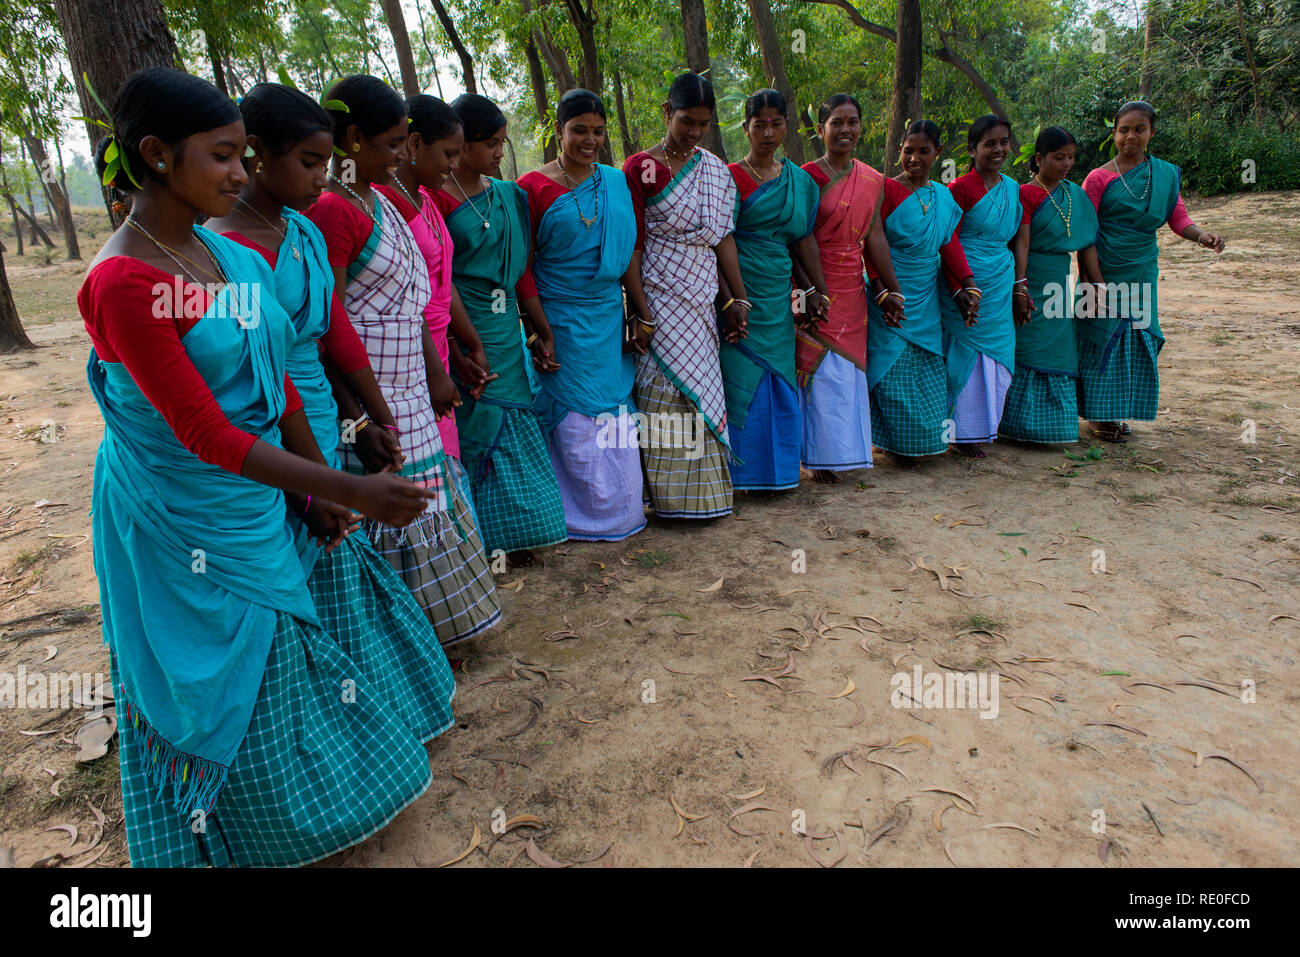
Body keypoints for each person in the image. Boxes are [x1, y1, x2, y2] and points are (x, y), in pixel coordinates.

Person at [80, 67, 438, 866]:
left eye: (244, 155)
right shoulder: (125, 282)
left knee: (272, 654)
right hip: (181, 515)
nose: (240, 174)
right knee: (209, 673)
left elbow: (273, 380)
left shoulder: (220, 257)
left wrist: (318, 488)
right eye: (222, 156)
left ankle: (289, 820)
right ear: (157, 155)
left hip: (253, 498)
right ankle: (222, 832)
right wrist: (349, 487)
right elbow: (205, 434)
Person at [206, 80, 459, 741]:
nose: (323, 177)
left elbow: (333, 333)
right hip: (270, 428)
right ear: (259, 155)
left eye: (325, 163)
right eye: (310, 163)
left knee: (339, 574)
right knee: (294, 571)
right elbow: (267, 366)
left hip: (318, 416)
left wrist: (374, 417)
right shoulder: (228, 250)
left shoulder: (298, 232)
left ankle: (363, 718)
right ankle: (300, 729)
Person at [307, 74, 500, 647]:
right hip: (371, 391)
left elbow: (409, 300)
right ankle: (406, 645)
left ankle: (433, 640)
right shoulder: (334, 210)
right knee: (394, 511)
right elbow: (329, 327)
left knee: (425, 502)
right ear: (354, 140)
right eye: (392, 144)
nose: (399, 156)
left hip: (409, 384)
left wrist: (438, 369)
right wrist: (360, 417)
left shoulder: (378, 201)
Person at [429, 94, 567, 563]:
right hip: (465, 326)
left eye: (502, 144)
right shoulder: (436, 198)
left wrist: (540, 327)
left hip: (507, 325)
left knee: (517, 417)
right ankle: (484, 537)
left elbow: (521, 271)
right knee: (477, 422)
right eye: (488, 144)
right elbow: (442, 278)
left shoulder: (508, 196)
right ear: (460, 142)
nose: (497, 154)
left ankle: (527, 532)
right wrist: (459, 340)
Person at [517, 89, 649, 541]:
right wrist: (537, 332)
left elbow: (628, 253)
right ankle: (569, 517)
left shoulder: (615, 182)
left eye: (597, 131)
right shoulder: (532, 188)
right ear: (558, 132)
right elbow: (523, 268)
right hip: (558, 321)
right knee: (570, 418)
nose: (589, 140)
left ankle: (622, 512)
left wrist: (640, 313)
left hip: (608, 318)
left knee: (613, 411)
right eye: (579, 131)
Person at [623, 72, 744, 519]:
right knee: (661, 390)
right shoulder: (640, 168)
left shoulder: (713, 169)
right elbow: (632, 246)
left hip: (700, 297)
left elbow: (723, 238)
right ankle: (671, 500)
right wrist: (641, 311)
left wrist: (738, 299)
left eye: (703, 123)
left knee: (702, 390)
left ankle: (708, 498)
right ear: (666, 113)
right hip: (657, 291)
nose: (694, 131)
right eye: (686, 121)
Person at [1078, 100, 1226, 442]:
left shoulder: (1164, 174)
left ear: (1152, 132)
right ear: (1114, 134)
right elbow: (1085, 235)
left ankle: (1117, 411)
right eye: (1124, 130)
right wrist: (1091, 282)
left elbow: (1178, 218)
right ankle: (1099, 416)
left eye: (1139, 129)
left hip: (1142, 268)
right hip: (1103, 268)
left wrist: (1202, 236)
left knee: (1137, 338)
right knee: (1102, 339)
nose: (1131, 136)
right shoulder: (1098, 178)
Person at [720, 88, 828, 492]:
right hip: (737, 288)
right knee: (740, 373)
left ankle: (780, 473)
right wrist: (732, 297)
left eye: (776, 123)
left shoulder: (799, 181)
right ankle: (742, 475)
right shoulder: (727, 177)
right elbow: (720, 238)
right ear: (745, 128)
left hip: (778, 296)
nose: (768, 132)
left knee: (779, 377)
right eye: (759, 124)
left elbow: (802, 240)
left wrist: (815, 289)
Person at [797, 93, 904, 482]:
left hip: (853, 290)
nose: (845, 129)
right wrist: (809, 291)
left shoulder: (872, 179)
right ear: (820, 129)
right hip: (813, 283)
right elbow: (798, 238)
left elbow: (875, 238)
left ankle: (846, 453)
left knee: (847, 371)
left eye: (852, 122)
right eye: (836, 122)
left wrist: (890, 288)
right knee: (820, 370)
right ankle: (819, 458)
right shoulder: (806, 177)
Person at [376, 93, 483, 479]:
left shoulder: (425, 198)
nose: (455, 165)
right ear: (415, 144)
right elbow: (406, 301)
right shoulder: (384, 205)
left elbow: (442, 282)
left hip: (436, 350)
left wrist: (466, 345)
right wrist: (436, 370)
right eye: (448, 154)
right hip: (404, 360)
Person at [866, 120, 978, 463]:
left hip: (926, 295)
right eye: (907, 150)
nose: (914, 158)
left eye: (923, 151)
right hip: (889, 293)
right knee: (889, 367)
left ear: (938, 153)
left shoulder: (943, 197)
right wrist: (883, 292)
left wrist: (967, 285)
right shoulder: (885, 190)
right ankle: (889, 441)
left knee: (927, 368)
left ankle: (921, 441)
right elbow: (871, 244)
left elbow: (949, 245)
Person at [1001, 126, 1101, 444]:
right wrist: (1020, 287)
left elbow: (1087, 245)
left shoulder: (1076, 196)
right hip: (1028, 280)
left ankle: (1055, 426)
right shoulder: (1024, 193)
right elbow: (1021, 245)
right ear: (1040, 158)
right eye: (1059, 157)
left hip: (1060, 283)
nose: (1066, 164)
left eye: (1071, 157)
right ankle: (1016, 426)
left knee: (1058, 349)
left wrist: (1097, 286)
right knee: (1027, 344)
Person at [939, 115, 1022, 459]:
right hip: (964, 281)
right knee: (963, 357)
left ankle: (985, 428)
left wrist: (1020, 286)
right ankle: (960, 433)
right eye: (990, 143)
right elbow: (947, 239)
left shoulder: (1013, 188)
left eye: (1004, 142)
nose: (999, 149)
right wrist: (961, 287)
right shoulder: (958, 189)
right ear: (972, 150)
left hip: (1001, 282)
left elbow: (1018, 238)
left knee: (997, 357)